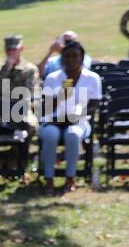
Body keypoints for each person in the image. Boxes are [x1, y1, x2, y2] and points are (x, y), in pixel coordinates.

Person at [38, 40, 101, 194]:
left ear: (82, 58)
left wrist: (78, 114)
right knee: (50, 135)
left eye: (75, 56)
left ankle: (70, 178)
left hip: (78, 122)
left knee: (72, 134)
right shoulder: (53, 78)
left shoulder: (92, 78)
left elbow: (94, 105)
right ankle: (48, 178)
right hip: (54, 121)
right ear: (62, 59)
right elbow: (46, 106)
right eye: (67, 57)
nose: (71, 60)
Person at [0, 34, 40, 172]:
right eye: (8, 50)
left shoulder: (29, 69)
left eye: (14, 49)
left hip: (20, 109)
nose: (11, 52)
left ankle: (14, 159)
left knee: (31, 126)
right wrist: (6, 68)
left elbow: (29, 93)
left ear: (21, 49)